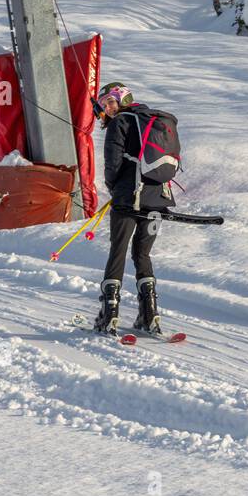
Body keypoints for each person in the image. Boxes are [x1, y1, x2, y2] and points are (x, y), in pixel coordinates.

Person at [92, 81, 175, 336]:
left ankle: (109, 316)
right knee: (142, 255)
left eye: (110, 102)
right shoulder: (154, 120)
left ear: (123, 98)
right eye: (104, 105)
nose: (108, 109)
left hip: (128, 199)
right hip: (158, 199)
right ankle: (149, 316)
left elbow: (112, 164)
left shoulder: (120, 123)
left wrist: (114, 188)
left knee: (117, 251)